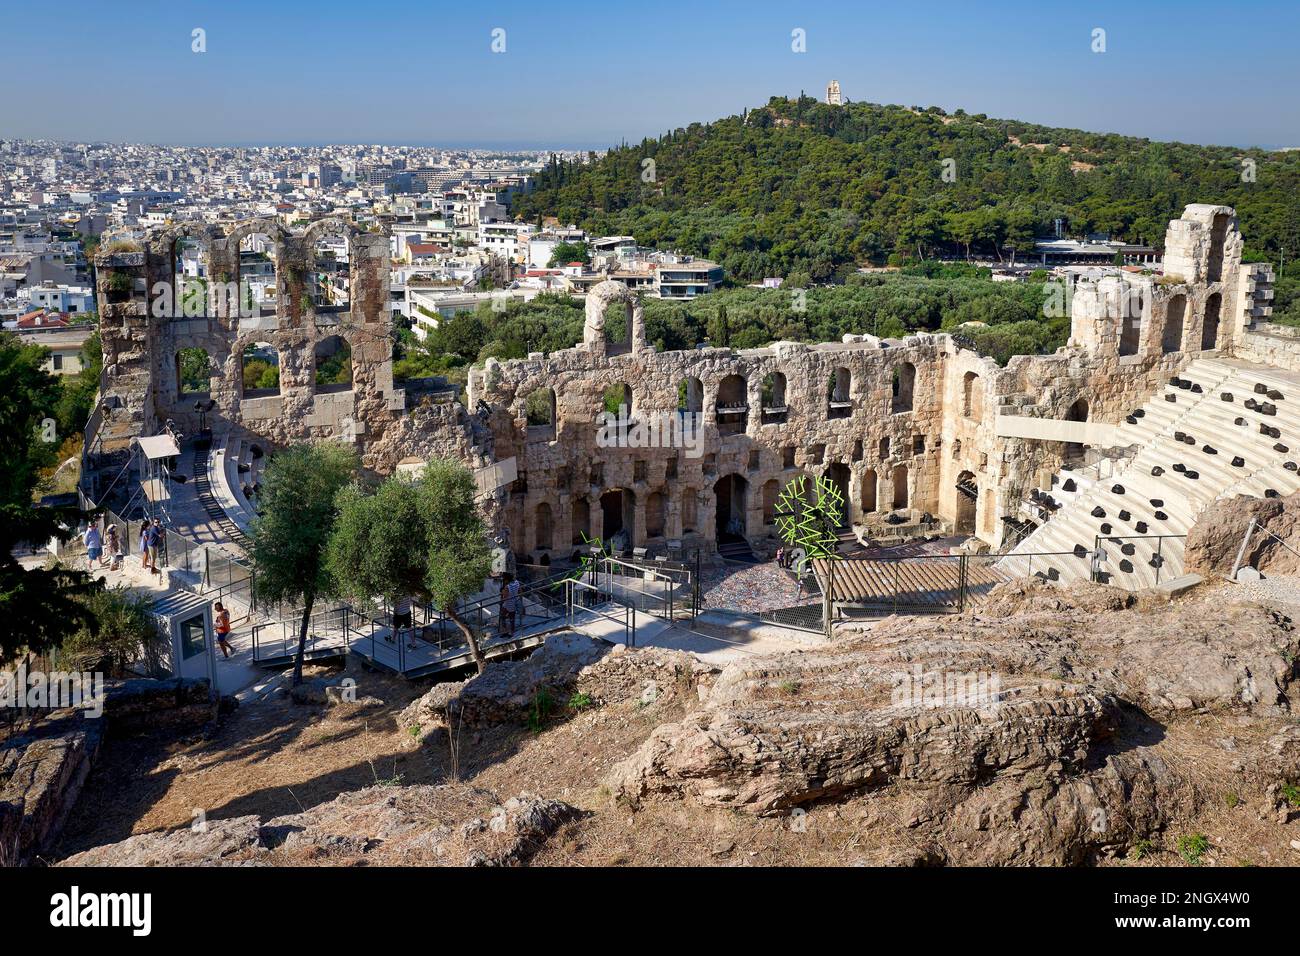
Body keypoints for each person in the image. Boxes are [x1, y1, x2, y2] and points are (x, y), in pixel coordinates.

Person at [499, 573, 519, 637]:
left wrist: (502, 591)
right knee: (512, 618)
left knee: (503, 616)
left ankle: (505, 631)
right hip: (514, 602)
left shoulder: (507, 586)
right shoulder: (516, 582)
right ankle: (511, 632)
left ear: (507, 580)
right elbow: (520, 591)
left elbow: (505, 596)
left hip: (508, 603)